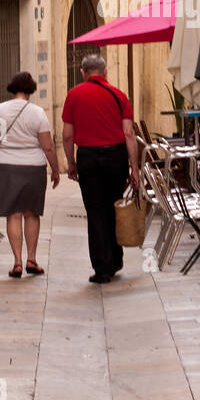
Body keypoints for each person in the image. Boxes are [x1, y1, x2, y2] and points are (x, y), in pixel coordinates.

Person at [62, 53, 140, 284]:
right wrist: (133, 168)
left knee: (95, 212)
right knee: (114, 206)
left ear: (83, 73)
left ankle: (102, 268)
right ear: (105, 72)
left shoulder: (74, 95)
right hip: (115, 156)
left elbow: (67, 135)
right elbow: (129, 134)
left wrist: (71, 163)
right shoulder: (119, 95)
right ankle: (116, 259)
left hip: (88, 157)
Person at [0, 72, 60, 278]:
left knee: (13, 214)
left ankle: (16, 262)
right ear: (31, 89)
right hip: (33, 168)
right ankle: (31, 260)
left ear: (12, 88)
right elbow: (48, 146)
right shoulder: (38, 113)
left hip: (4, 167)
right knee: (31, 213)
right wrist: (56, 169)